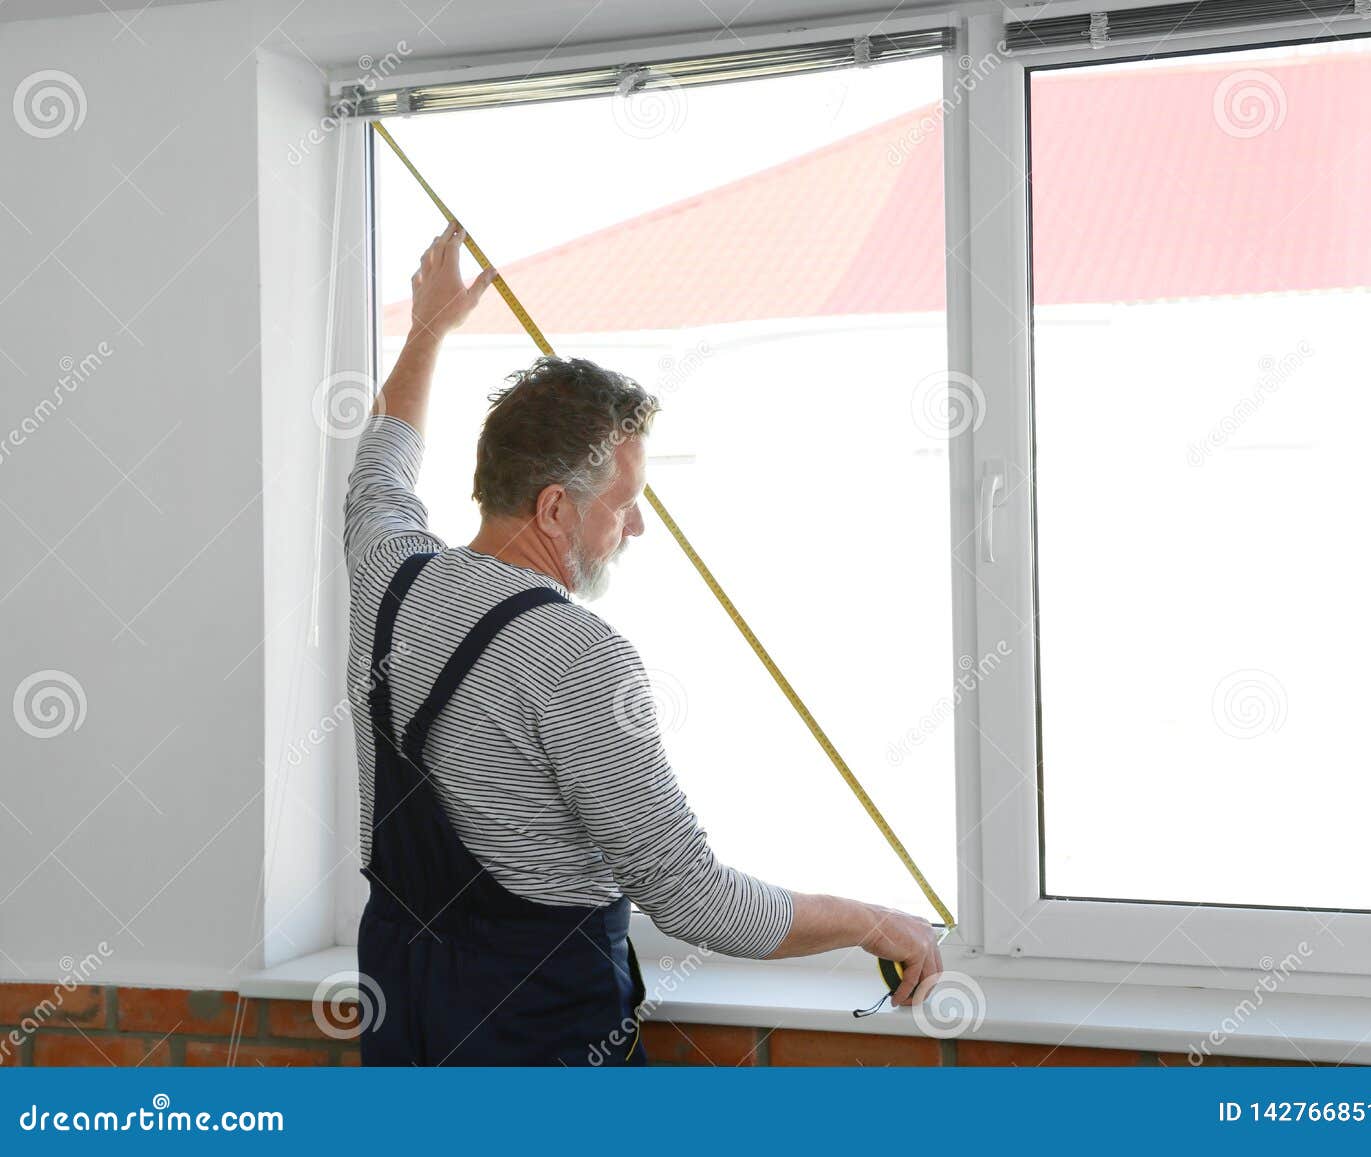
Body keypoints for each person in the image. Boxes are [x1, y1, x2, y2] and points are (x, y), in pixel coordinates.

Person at [344, 225, 942, 1066]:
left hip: (400, 1036)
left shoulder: (385, 571)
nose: (636, 528)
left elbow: (383, 461)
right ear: (555, 508)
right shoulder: (577, 655)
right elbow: (697, 901)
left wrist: (428, 329)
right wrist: (874, 921)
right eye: (623, 504)